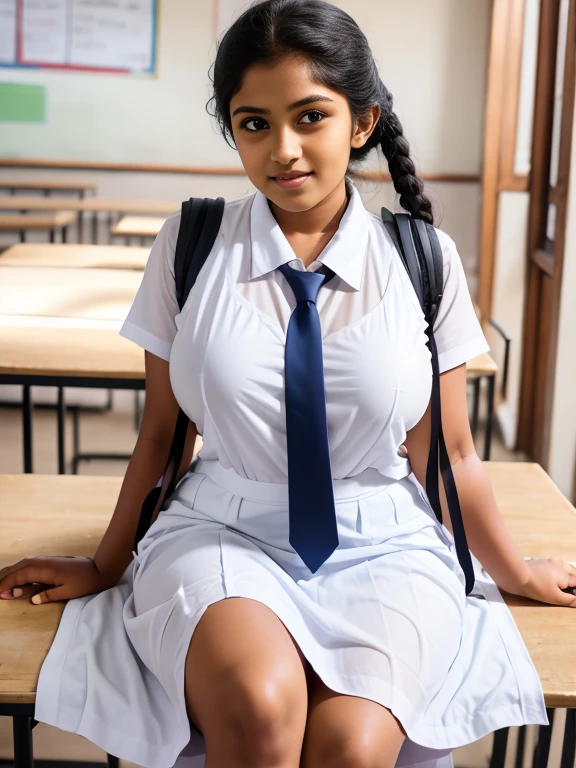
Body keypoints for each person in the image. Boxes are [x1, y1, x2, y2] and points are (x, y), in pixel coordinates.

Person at [1, 1, 576, 767]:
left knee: (350, 744)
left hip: (386, 541)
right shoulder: (192, 243)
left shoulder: (422, 259)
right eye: (254, 123)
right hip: (222, 529)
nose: (284, 149)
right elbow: (162, 436)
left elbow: (453, 454)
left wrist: (517, 571)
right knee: (260, 708)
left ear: (362, 122)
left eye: (310, 117)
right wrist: (106, 565)